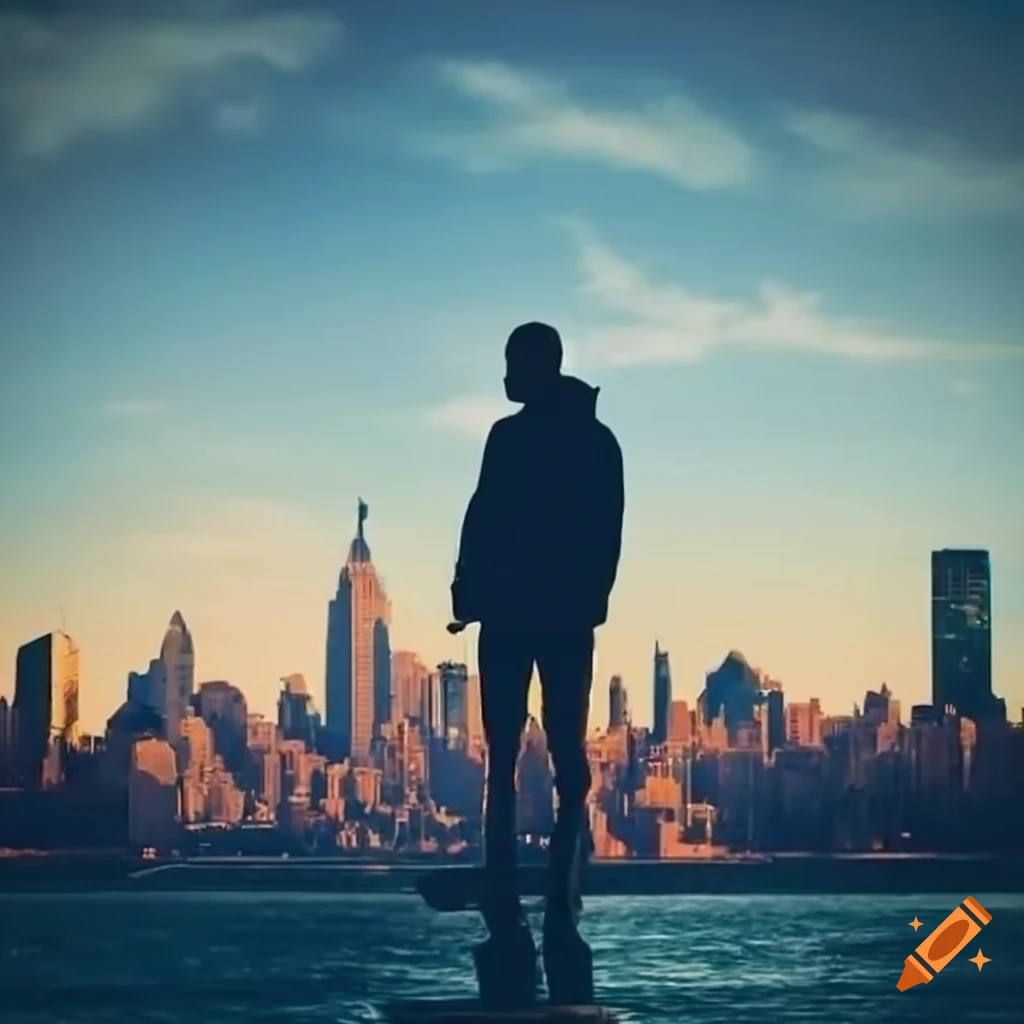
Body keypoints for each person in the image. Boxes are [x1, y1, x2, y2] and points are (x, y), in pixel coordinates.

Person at [451, 321, 624, 1000]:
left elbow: (600, 534)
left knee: (561, 764)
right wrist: (471, 590)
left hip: (546, 620)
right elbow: (482, 516)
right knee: (525, 763)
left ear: (539, 366)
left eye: (510, 364)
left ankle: (555, 906)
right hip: (527, 619)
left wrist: (576, 601)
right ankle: (516, 909)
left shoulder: (580, 442)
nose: (502, 377)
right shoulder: (525, 437)